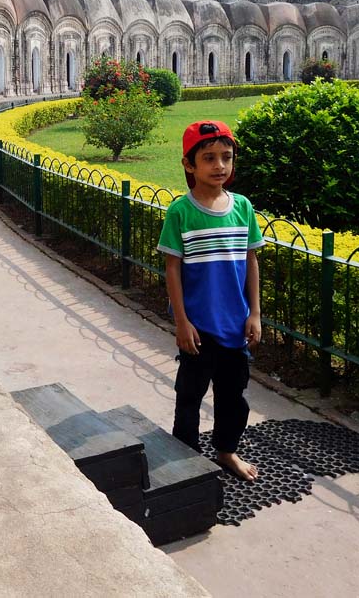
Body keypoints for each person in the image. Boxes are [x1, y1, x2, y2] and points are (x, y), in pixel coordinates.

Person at [156, 120, 264, 480]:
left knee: (234, 397)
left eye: (226, 157)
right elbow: (173, 268)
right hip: (199, 328)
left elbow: (251, 260)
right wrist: (182, 321)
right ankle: (184, 457)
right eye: (209, 158)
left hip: (235, 325)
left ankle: (226, 451)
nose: (219, 166)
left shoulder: (243, 208)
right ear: (189, 165)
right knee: (189, 396)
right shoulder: (181, 212)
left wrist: (255, 315)